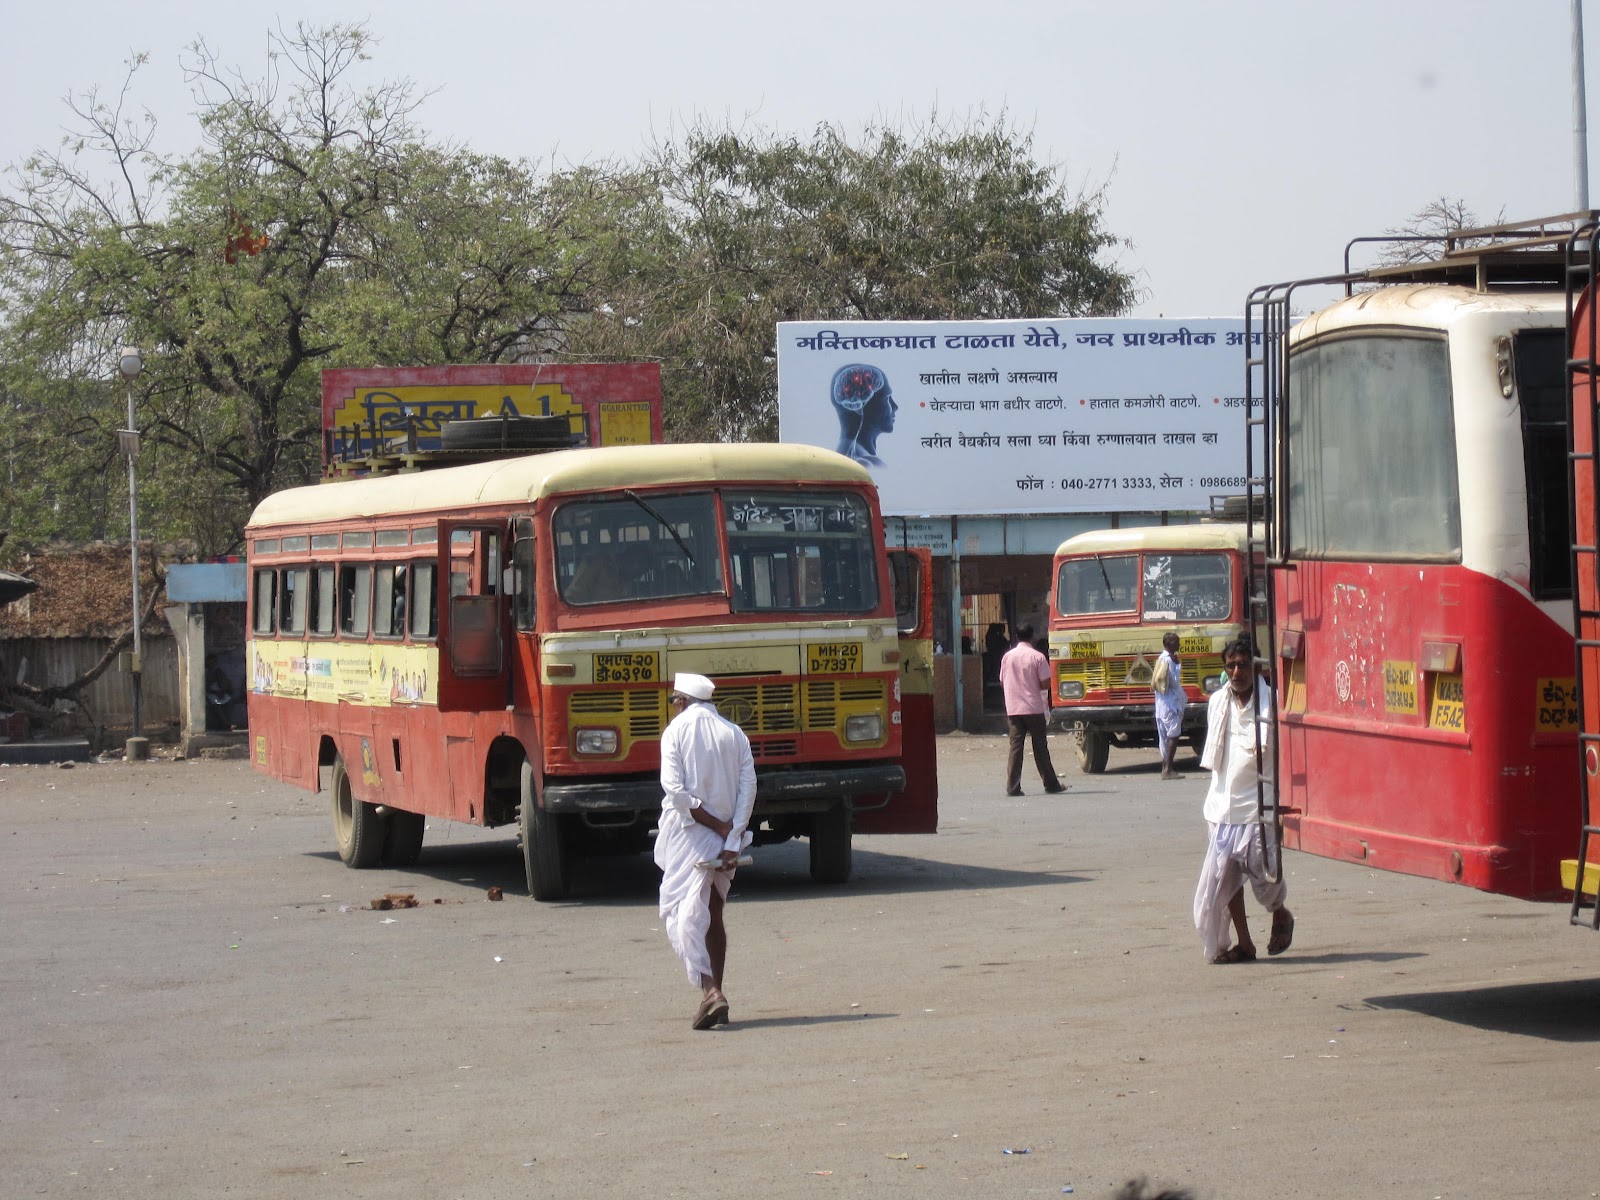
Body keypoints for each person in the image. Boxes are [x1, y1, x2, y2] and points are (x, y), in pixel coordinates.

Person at [653, 672, 756, 1028]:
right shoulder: (735, 734)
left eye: (674, 702)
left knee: (683, 913)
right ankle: (715, 993)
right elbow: (748, 793)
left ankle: (711, 991)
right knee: (712, 909)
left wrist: (714, 825)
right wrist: (731, 837)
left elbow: (675, 792)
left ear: (682, 701)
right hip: (727, 839)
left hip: (690, 837)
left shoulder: (675, 732)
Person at [1193, 636, 1295, 963]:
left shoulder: (1272, 704)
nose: (1237, 671)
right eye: (1231, 666)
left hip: (1258, 806)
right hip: (1222, 806)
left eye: (1243, 665)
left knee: (1264, 876)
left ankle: (1279, 913)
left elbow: (1286, 759)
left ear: (1256, 667)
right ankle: (1245, 943)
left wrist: (1281, 808)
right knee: (1226, 880)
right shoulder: (1218, 702)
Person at [999, 622, 1068, 796]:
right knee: (1040, 748)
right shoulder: (1037, 657)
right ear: (1032, 637)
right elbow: (1045, 683)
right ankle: (1051, 784)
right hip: (1033, 708)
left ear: (1016, 637)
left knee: (1016, 748)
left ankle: (1012, 787)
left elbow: (1002, 680)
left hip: (1014, 709)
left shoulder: (1007, 657)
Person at [829, 363, 897, 467]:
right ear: (859, 405)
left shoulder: (844, 458)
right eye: (887, 398)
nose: (895, 406)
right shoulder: (865, 465)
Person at [1152, 632, 1186, 780]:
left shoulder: (1161, 658)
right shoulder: (1170, 661)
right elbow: (1173, 682)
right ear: (1169, 644)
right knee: (1173, 735)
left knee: (1164, 737)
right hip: (1171, 703)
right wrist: (1177, 665)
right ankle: (1168, 768)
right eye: (1176, 642)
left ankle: (1165, 767)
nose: (1179, 645)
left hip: (1161, 704)